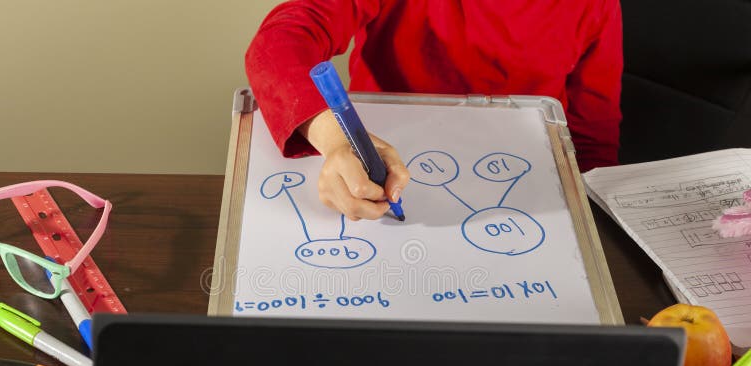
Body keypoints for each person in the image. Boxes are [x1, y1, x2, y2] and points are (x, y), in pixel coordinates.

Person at [245, 0, 623, 220]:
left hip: (523, 196)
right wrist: (335, 139)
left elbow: (592, 143)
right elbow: (280, 41)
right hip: (380, 176)